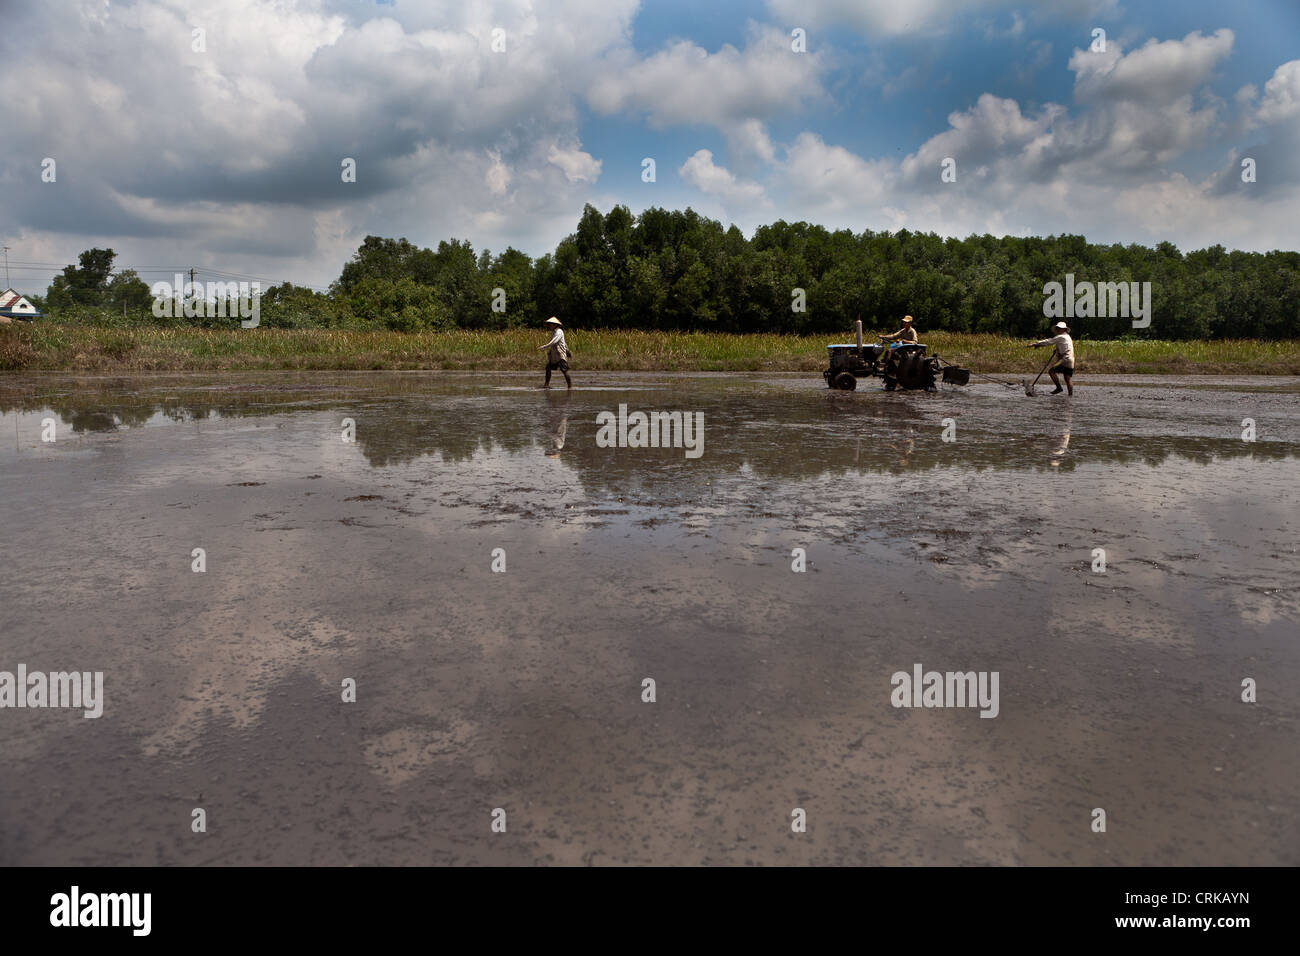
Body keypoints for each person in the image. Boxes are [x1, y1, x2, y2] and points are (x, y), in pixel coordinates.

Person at [1030, 321, 1075, 395]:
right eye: (1057, 328)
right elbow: (1065, 346)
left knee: (1051, 371)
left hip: (1064, 359)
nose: (1058, 330)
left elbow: (1049, 341)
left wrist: (1035, 344)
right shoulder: (1067, 336)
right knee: (1067, 377)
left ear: (1064, 329)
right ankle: (1070, 395)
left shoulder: (1061, 336)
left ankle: (1059, 388)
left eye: (1059, 328)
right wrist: (1057, 349)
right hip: (1070, 360)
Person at [537, 316, 571, 389]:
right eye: (549, 324)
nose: (549, 325)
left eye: (551, 324)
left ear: (555, 325)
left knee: (564, 370)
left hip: (560, 354)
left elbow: (555, 341)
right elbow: (563, 343)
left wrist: (545, 346)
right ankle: (546, 384)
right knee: (548, 367)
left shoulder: (559, 331)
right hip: (554, 355)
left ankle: (570, 387)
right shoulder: (554, 332)